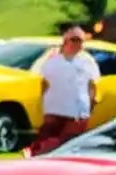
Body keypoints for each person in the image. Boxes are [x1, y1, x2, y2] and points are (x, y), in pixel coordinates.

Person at [29, 23, 99, 155]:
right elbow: (41, 82)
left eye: (81, 41)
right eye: (74, 40)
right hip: (54, 111)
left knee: (68, 145)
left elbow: (92, 85)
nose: (78, 44)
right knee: (45, 144)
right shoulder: (51, 59)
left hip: (77, 113)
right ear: (65, 41)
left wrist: (91, 104)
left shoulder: (88, 61)